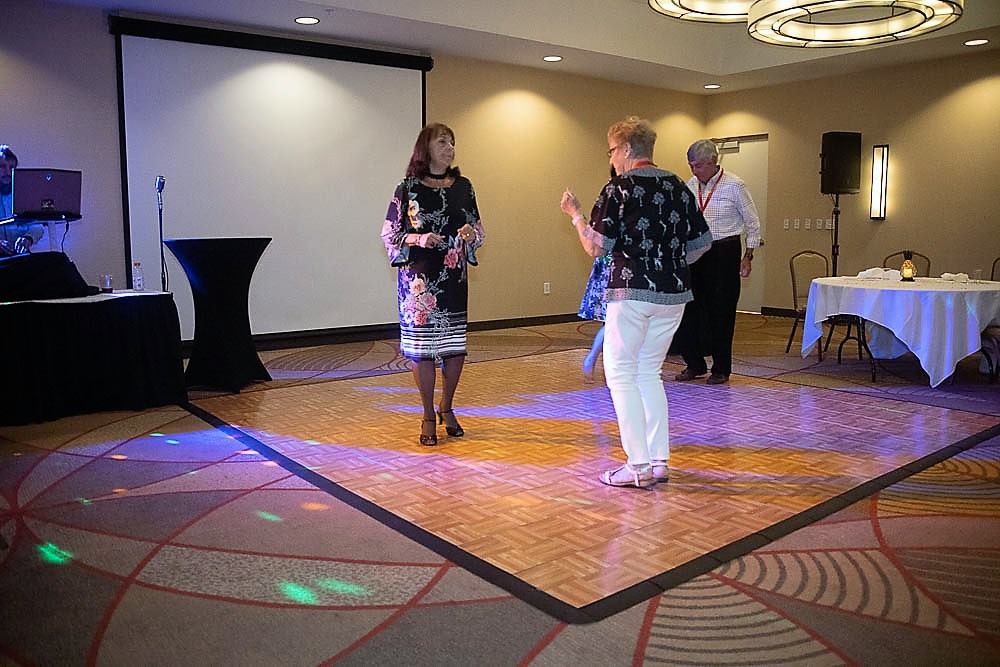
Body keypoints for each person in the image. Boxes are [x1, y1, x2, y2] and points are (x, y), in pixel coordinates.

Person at [560, 116, 711, 488]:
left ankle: (638, 465)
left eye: (612, 150)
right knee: (649, 372)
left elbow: (595, 246)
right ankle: (658, 460)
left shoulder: (620, 188)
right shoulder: (679, 186)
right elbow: (702, 244)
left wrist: (575, 215)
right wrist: (668, 266)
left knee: (622, 375)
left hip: (631, 293)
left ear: (627, 148)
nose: (611, 158)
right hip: (674, 294)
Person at [381, 123, 485, 446]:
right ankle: (428, 414)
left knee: (455, 350)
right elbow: (388, 234)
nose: (450, 147)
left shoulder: (464, 187)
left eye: (452, 142)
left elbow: (479, 230)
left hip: (453, 279)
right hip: (419, 284)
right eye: (443, 142)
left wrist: (472, 236)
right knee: (423, 351)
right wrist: (419, 238)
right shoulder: (407, 188)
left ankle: (447, 406)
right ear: (425, 148)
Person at [673, 139, 762, 385]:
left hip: (724, 252)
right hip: (694, 253)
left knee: (721, 312)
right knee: (689, 310)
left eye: (698, 166)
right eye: (690, 165)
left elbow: (753, 224)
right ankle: (694, 364)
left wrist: (748, 256)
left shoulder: (735, 185)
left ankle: (721, 368)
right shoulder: (690, 186)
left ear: (713, 162)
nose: (694, 171)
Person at [0, 144, 46, 256]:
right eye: (2, 166)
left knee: (60, 261)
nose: (7, 172)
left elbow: (37, 225)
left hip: (19, 256)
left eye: (11, 167)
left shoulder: (23, 196)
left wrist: (28, 238)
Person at [578, 255, 610, 383]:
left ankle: (592, 359)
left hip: (622, 268)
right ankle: (591, 359)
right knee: (613, 321)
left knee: (614, 322)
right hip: (614, 270)